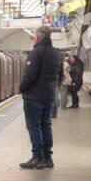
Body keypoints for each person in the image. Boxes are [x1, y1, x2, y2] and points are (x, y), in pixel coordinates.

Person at [18, 26, 63, 170]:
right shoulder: (57, 54)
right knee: (46, 125)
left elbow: (29, 75)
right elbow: (60, 76)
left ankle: (37, 157)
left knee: (34, 127)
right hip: (50, 96)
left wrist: (21, 88)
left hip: (34, 97)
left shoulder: (35, 53)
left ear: (37, 37)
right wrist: (53, 89)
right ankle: (47, 158)